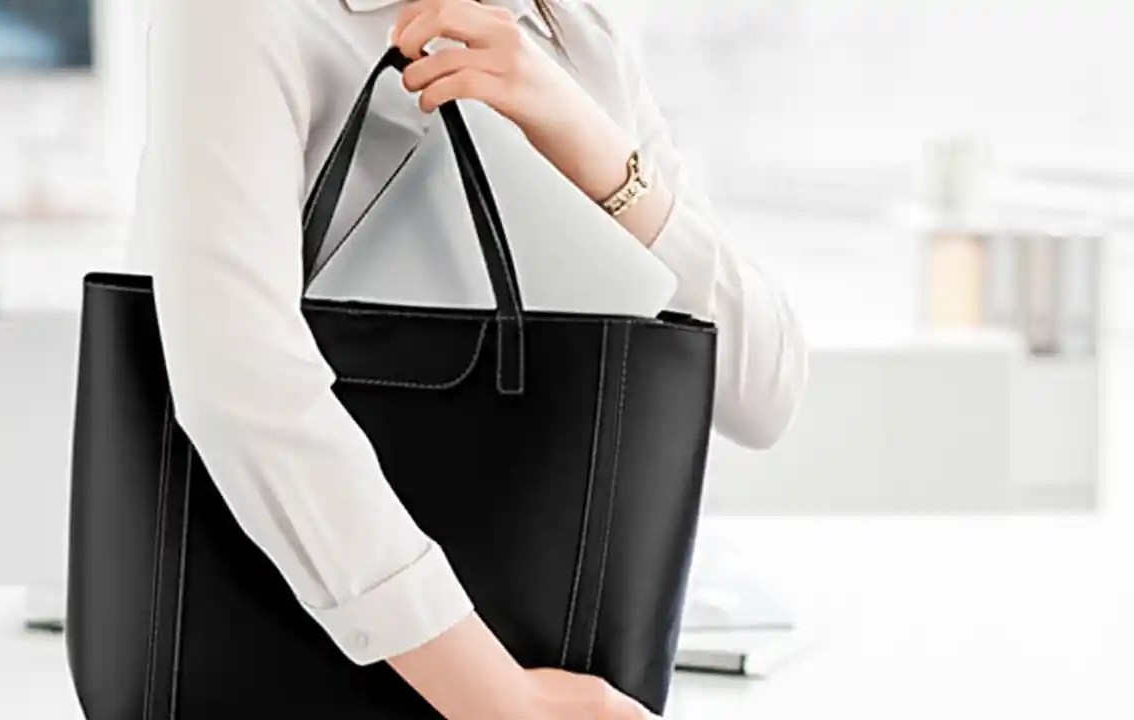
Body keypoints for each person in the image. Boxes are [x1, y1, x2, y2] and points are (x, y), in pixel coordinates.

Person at [131, 0, 808, 717]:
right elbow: (243, 386)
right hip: (273, 662)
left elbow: (762, 391)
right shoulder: (238, 16)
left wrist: (597, 152)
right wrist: (501, 701)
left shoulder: (566, 27)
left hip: (550, 654)